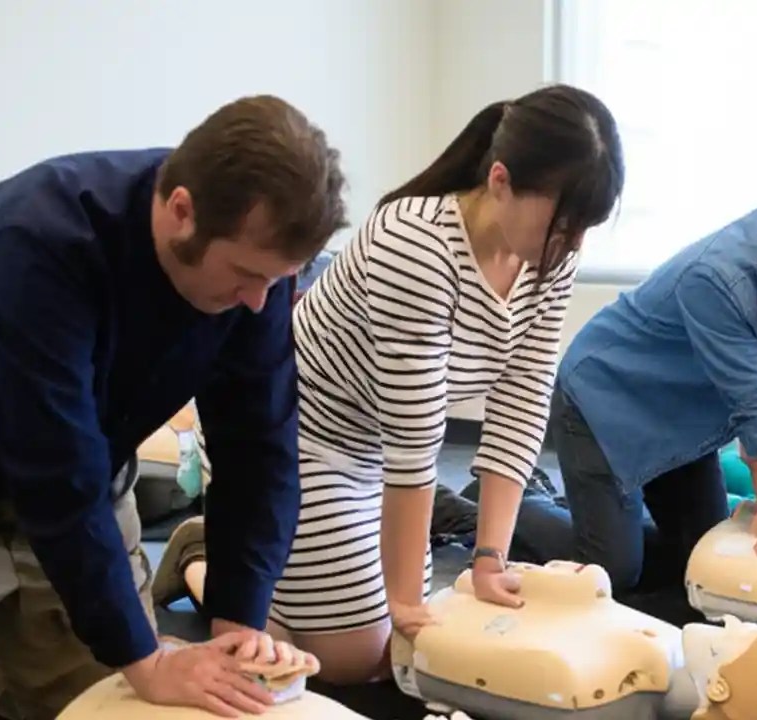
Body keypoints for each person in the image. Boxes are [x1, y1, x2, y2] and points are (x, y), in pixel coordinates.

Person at [152, 83, 625, 684]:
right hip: (302, 441)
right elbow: (416, 432)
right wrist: (403, 604)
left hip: (377, 457)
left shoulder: (552, 254)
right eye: (565, 220)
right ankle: (206, 555)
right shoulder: (415, 242)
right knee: (362, 658)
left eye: (587, 225)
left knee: (388, 648)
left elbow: (524, 398)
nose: (574, 241)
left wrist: (488, 560)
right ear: (500, 181)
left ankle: (259, 571)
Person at [0, 95, 348, 720]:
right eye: (246, 275)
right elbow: (53, 468)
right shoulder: (38, 243)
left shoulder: (255, 269)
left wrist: (239, 623)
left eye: (277, 279)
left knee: (102, 704)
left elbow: (260, 448)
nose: (259, 303)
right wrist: (145, 659)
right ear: (182, 211)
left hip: (90, 486)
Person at [467, 186, 757, 598]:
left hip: (688, 422)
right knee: (611, 573)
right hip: (606, 403)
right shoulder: (723, 278)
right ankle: (486, 510)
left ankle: (594, 511)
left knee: (702, 560)